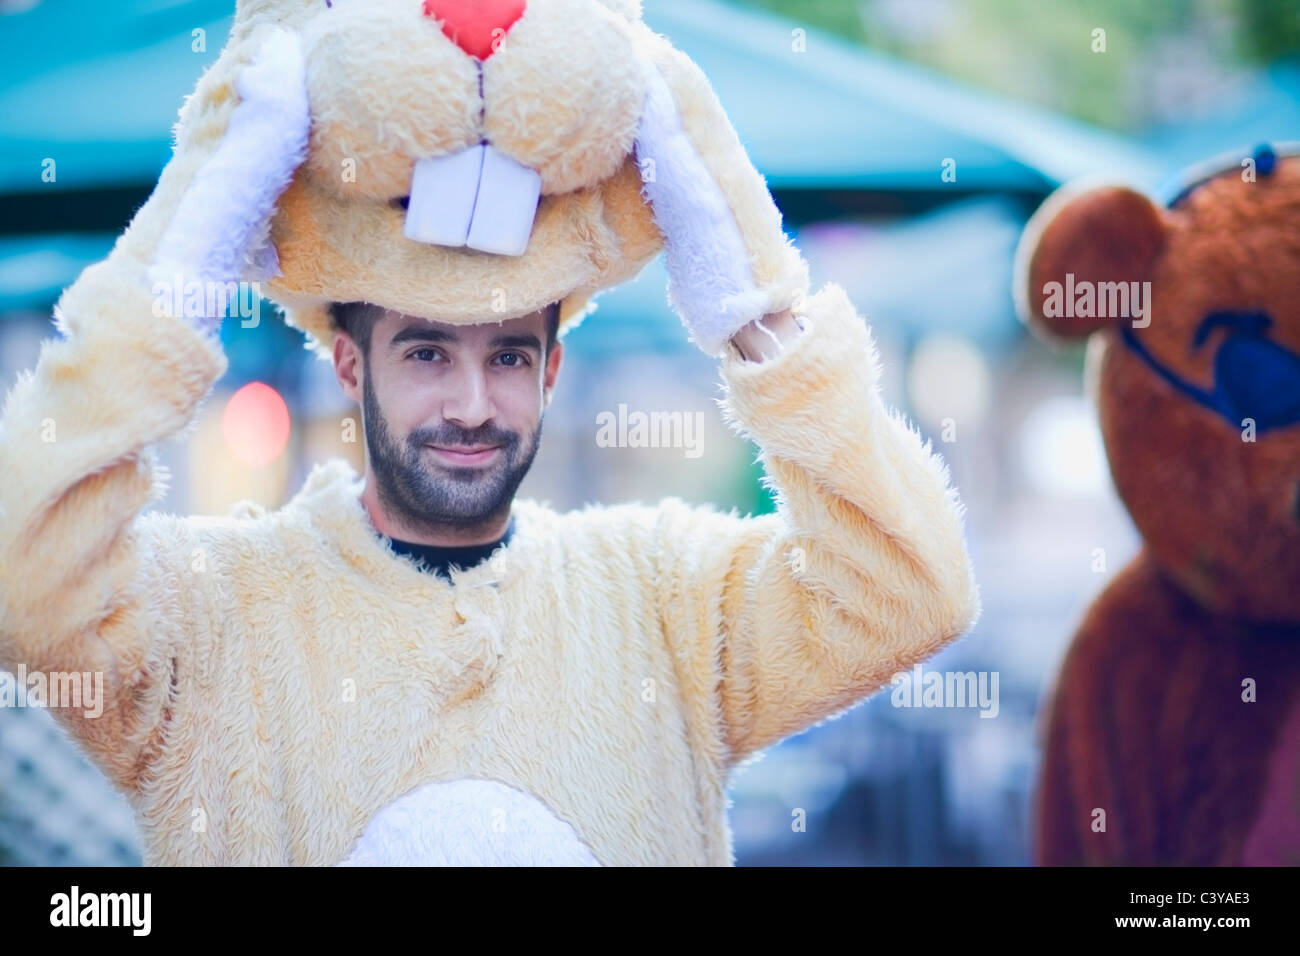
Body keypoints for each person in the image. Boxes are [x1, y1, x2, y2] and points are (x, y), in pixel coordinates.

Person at [0, 29, 979, 867]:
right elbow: (19, 570)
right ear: (349, 364)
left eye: (508, 354)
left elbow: (911, 587)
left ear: (551, 371)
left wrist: (753, 305)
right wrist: (183, 259)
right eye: (426, 351)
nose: (472, 403)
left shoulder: (664, 600)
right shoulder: (211, 613)